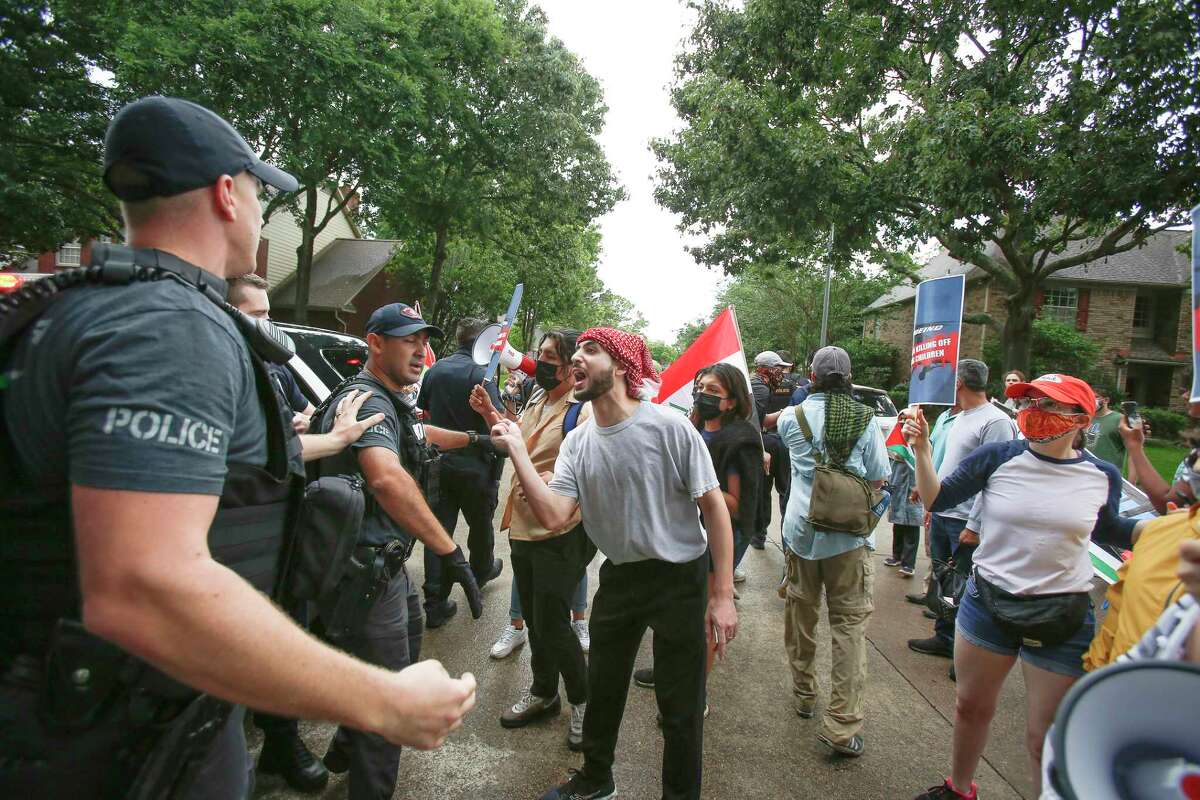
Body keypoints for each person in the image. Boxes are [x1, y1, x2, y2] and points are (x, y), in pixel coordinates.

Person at [0, 96, 476, 799]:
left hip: (116, 719)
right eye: (260, 193)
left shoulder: (101, 306)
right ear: (228, 194)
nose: (261, 213)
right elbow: (146, 585)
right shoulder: (167, 326)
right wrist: (384, 701)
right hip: (125, 740)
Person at [490, 327, 737, 800]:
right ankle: (596, 778)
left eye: (591, 350)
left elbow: (715, 511)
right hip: (621, 577)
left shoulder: (669, 426)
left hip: (681, 577)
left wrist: (721, 596)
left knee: (680, 704)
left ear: (622, 366)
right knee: (602, 687)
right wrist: (519, 452)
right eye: (576, 351)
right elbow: (556, 514)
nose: (576, 358)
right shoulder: (580, 442)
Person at [905, 374, 1147, 799]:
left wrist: (1169, 529)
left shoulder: (1101, 475)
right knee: (970, 708)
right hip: (988, 604)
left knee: (1044, 736)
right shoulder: (998, 457)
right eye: (1030, 402)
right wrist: (923, 449)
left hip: (1062, 618)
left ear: (1081, 419)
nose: (1035, 411)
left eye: (1050, 405)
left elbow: (1112, 529)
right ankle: (959, 788)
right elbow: (937, 499)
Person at [312, 301, 488, 800]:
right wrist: (450, 550)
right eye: (408, 339)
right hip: (365, 570)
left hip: (387, 566)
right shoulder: (369, 400)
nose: (421, 350)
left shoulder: (392, 400)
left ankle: (345, 746)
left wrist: (477, 439)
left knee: (406, 649)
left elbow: (418, 435)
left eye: (424, 340)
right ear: (375, 342)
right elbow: (386, 476)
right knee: (391, 702)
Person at [467, 329, 596, 750]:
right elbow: (516, 441)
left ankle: (582, 703)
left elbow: (592, 467)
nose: (536, 362)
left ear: (568, 366)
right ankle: (544, 694)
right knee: (538, 623)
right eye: (538, 355)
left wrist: (556, 480)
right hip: (524, 523)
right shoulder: (539, 398)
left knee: (554, 624)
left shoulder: (583, 411)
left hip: (561, 529)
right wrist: (490, 414)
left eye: (546, 357)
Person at [777, 346, 888, 757]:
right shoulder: (865, 419)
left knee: (801, 612)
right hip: (850, 538)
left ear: (812, 374)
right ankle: (842, 725)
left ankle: (804, 693)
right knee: (848, 626)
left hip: (801, 532)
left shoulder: (793, 416)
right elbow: (879, 476)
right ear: (850, 377)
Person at [631, 362, 764, 696]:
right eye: (700, 387)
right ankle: (669, 672)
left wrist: (695, 484)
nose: (702, 394)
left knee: (702, 618)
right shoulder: (690, 427)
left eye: (713, 391)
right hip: (683, 533)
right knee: (674, 611)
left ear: (732, 401)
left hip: (717, 540)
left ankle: (694, 694)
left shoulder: (740, 440)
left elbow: (737, 505)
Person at [908, 360, 1018, 660]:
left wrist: (975, 523)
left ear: (959, 383)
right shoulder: (959, 417)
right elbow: (947, 459)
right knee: (946, 581)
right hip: (945, 513)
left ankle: (965, 649)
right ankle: (945, 638)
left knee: (966, 587)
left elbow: (998, 477)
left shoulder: (995, 422)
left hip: (966, 521)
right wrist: (929, 489)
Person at [418, 317, 506, 628]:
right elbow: (496, 426)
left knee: (438, 530)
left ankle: (434, 603)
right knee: (481, 523)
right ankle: (481, 571)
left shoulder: (437, 368)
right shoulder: (483, 372)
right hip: (474, 464)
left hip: (439, 462)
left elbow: (424, 412)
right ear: (481, 340)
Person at [227, 273, 316, 432]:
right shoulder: (225, 372)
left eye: (267, 313)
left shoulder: (276, 368)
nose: (268, 322)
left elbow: (314, 416)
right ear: (230, 315)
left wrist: (307, 423)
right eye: (258, 314)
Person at [906, 403, 962, 606]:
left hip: (960, 511)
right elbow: (932, 453)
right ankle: (934, 602)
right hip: (938, 501)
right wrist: (922, 486)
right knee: (937, 558)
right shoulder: (944, 416)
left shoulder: (985, 420)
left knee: (956, 570)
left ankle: (948, 608)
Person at [750, 350, 792, 549]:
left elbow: (761, 419)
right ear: (767, 369)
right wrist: (761, 450)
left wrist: (784, 413)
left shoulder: (759, 384)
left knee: (765, 491)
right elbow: (754, 424)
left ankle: (759, 536)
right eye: (778, 368)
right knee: (776, 491)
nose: (781, 373)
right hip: (765, 445)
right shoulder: (760, 388)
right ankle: (776, 538)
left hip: (771, 442)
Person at [885, 453, 924, 578]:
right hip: (897, 483)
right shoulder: (897, 439)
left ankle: (908, 564)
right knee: (898, 523)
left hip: (912, 485)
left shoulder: (920, 443)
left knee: (912, 525)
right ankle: (897, 556)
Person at [1084, 386, 1125, 470]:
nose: (1092, 400)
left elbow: (1132, 452)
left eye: (1096, 397)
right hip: (1084, 469)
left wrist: (1131, 481)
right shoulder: (1084, 418)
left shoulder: (1120, 419)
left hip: (1108, 473)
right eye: (1089, 397)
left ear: (1106, 400)